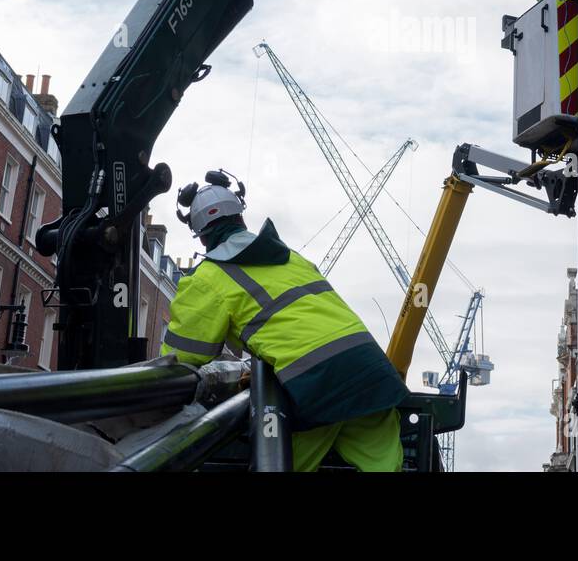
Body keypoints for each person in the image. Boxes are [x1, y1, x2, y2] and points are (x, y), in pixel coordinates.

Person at [161, 171, 409, 472]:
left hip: (314, 383)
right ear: (240, 217)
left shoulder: (207, 278)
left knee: (281, 463)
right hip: (369, 370)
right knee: (385, 466)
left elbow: (182, 358)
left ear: (200, 234)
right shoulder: (292, 259)